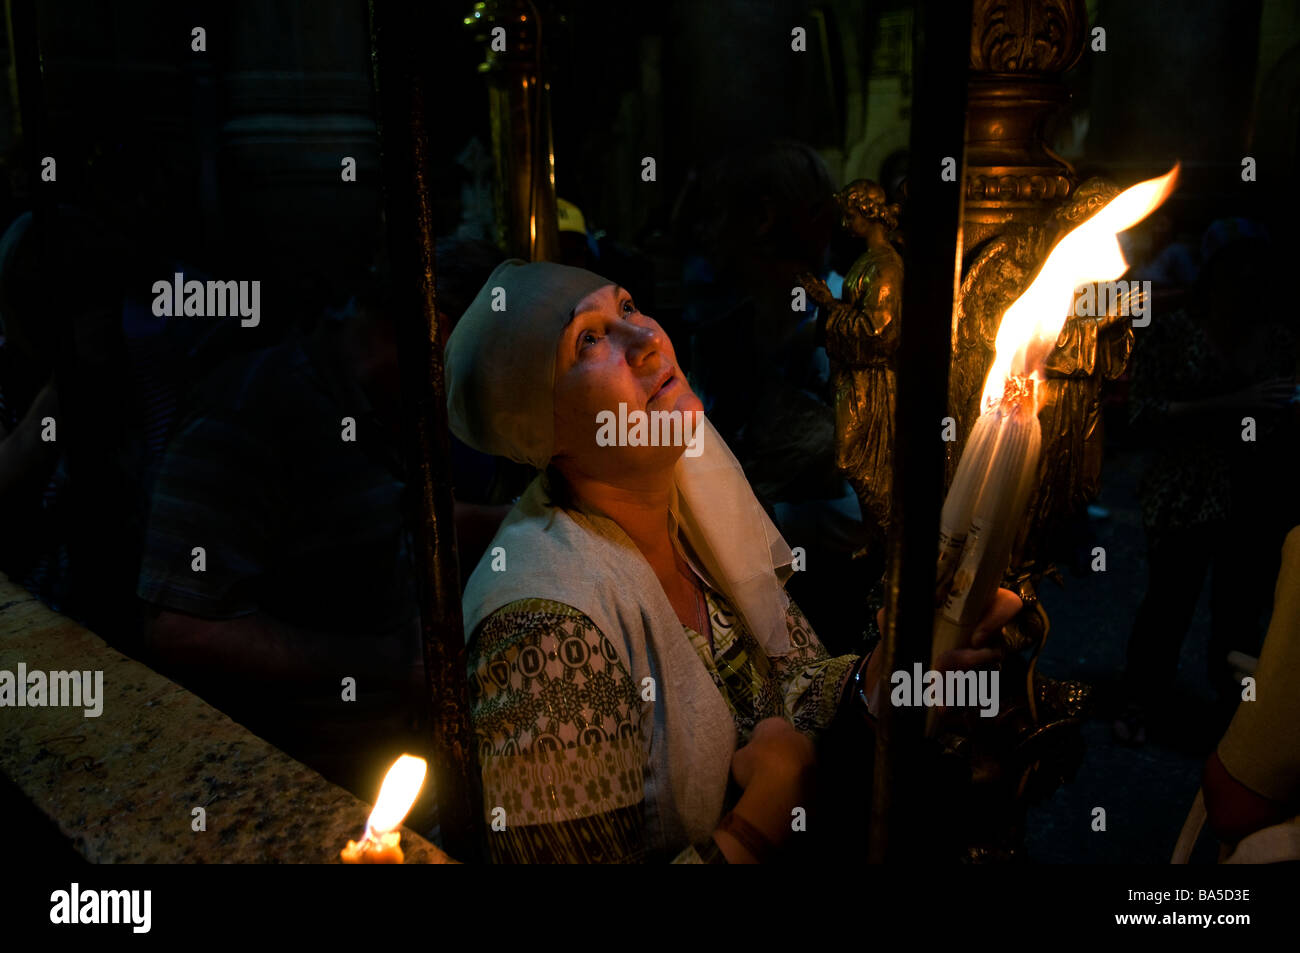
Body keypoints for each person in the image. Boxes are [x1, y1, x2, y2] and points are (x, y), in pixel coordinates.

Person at [445, 259, 1020, 863]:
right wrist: (758, 820)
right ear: (539, 428)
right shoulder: (546, 632)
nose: (645, 341)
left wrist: (885, 674)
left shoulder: (690, 519)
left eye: (629, 308)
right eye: (588, 339)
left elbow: (787, 692)